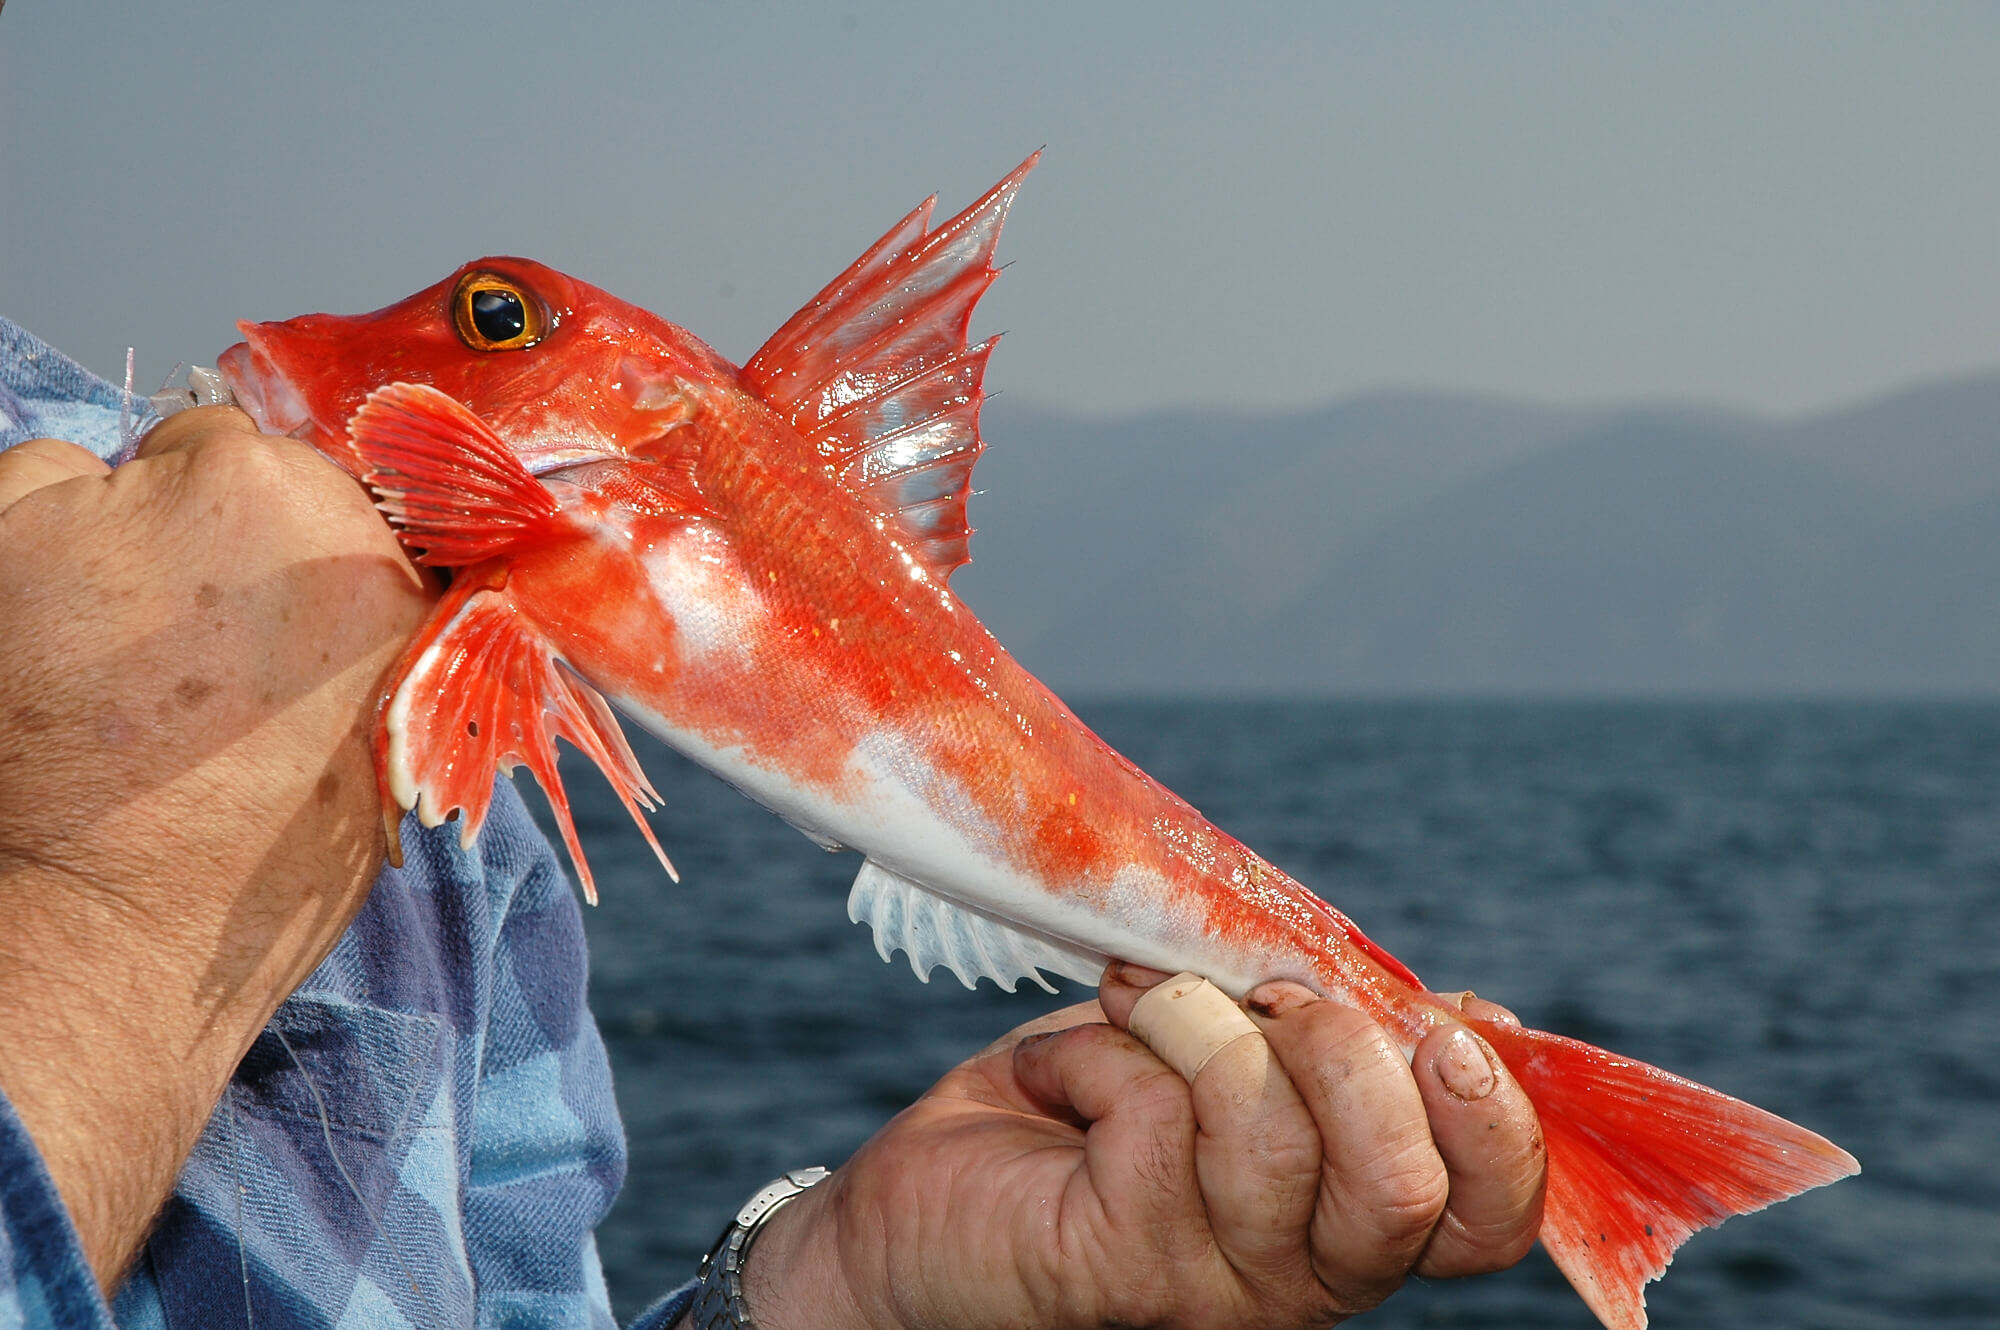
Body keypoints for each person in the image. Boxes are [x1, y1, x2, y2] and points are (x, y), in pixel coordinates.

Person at [0, 319, 1547, 1329]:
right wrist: (109, 897)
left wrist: (843, 1294)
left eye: (494, 323)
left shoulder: (412, 684)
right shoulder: (231, 570)